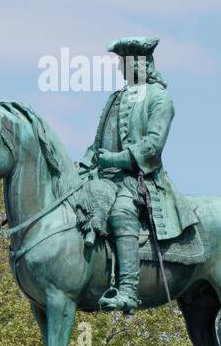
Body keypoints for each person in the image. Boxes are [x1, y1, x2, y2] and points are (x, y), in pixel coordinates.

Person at [83, 36, 195, 312]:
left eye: (127, 63)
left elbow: (153, 146)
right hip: (104, 177)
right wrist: (84, 166)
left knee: (121, 211)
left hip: (140, 179)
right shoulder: (116, 98)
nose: (122, 68)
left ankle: (128, 289)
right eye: (121, 63)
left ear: (142, 65)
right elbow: (96, 144)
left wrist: (118, 159)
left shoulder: (159, 98)